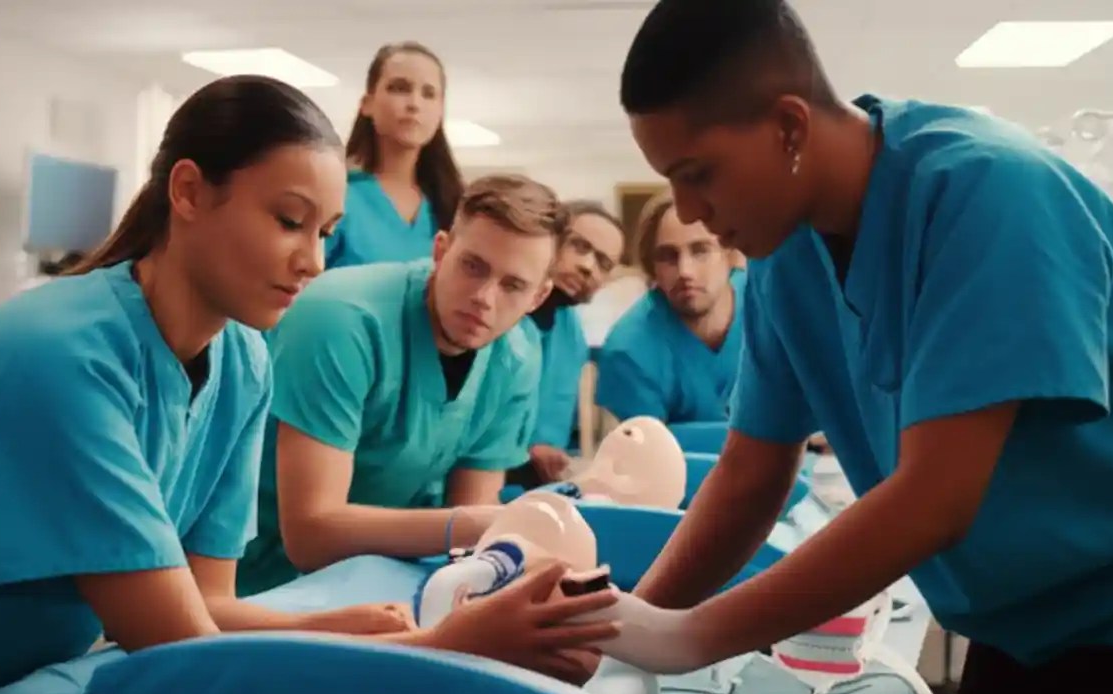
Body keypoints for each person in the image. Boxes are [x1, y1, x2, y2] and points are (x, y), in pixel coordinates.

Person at [0, 77, 617, 694]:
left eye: (326, 231)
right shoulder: (58, 356)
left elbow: (206, 602)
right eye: (289, 221)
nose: (313, 261)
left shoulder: (243, 361)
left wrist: (334, 627)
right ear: (188, 191)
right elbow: (182, 653)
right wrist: (449, 649)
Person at [614, 0, 1113, 694]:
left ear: (789, 126)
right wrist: (625, 631)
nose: (689, 207)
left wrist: (691, 636)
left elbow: (934, 500)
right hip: (1020, 632)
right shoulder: (783, 252)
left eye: (699, 173)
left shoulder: (990, 192)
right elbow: (750, 474)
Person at [237, 173, 572, 596]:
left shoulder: (516, 355)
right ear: (441, 250)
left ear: (538, 297)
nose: (485, 298)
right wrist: (479, 524)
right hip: (250, 581)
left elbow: (470, 535)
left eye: (513, 285)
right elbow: (310, 535)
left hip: (387, 577)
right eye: (473, 267)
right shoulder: (340, 319)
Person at [595, 190, 746, 425]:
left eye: (700, 251)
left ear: (730, 254)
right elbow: (649, 452)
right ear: (652, 267)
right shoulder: (629, 350)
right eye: (668, 256)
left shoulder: (773, 309)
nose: (685, 271)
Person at [511, 200, 626, 487]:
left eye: (603, 263)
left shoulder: (572, 334)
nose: (587, 266)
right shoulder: (498, 316)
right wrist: (526, 456)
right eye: (579, 246)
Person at [325, 41, 464, 269]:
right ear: (367, 104)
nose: (414, 104)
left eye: (429, 94)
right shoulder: (335, 194)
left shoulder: (454, 207)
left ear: (440, 111)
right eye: (400, 88)